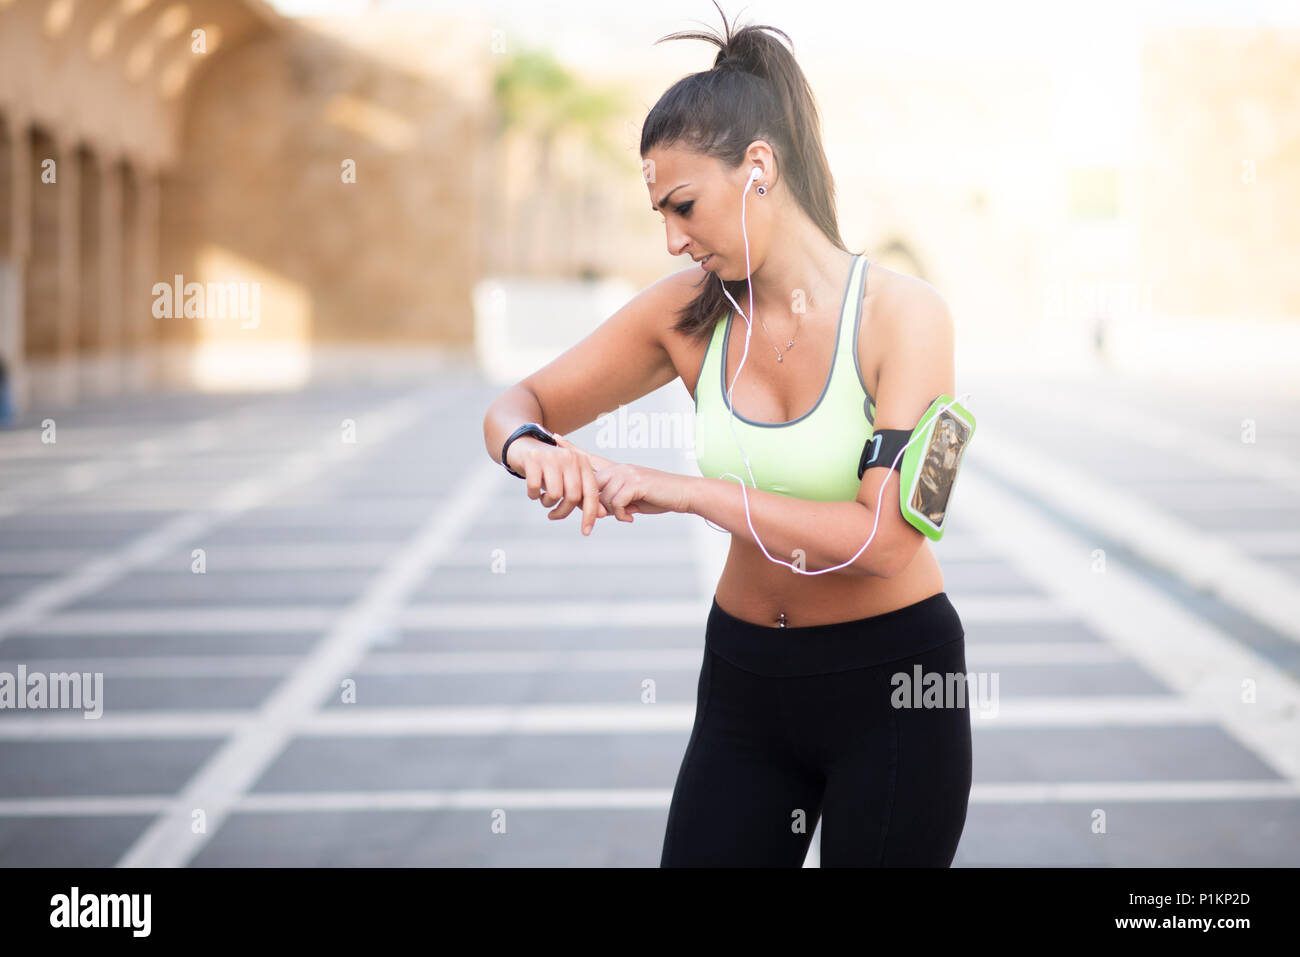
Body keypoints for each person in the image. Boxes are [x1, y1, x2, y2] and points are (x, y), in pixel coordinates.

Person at [482, 2, 971, 867]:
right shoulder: (686, 318)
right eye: (659, 215)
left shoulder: (904, 316)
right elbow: (517, 403)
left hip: (896, 689)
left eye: (684, 206)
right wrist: (535, 452)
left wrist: (685, 490)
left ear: (758, 166)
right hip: (746, 682)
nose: (672, 240)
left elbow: (883, 538)